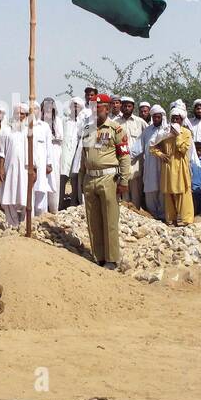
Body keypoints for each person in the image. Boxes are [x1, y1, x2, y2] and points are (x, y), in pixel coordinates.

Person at [79, 94, 130, 269]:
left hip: (108, 178)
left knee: (109, 220)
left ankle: (111, 259)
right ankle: (98, 256)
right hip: (90, 178)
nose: (95, 110)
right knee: (93, 221)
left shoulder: (116, 129)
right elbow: (83, 156)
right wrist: (81, 179)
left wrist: (124, 180)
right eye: (93, 107)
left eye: (98, 107)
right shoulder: (87, 129)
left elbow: (124, 157)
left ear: (107, 109)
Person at [152, 105, 193, 226]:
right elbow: (152, 146)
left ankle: (186, 220)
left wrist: (177, 135)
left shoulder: (186, 132)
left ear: (182, 120)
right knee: (169, 193)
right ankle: (171, 219)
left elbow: (183, 149)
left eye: (178, 119)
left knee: (183, 192)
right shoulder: (164, 132)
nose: (175, 121)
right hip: (168, 167)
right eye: (173, 119)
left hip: (180, 166)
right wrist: (160, 154)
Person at [0, 104, 31, 228]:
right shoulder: (6, 130)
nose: (20, 116)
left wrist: (35, 170)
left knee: (24, 195)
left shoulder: (29, 131)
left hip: (25, 169)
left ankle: (24, 223)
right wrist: (1, 168)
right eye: (17, 113)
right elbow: (1, 152)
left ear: (26, 116)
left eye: (23, 114)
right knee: (8, 195)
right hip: (9, 168)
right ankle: (12, 224)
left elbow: (34, 152)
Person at [113, 97, 146, 210]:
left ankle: (136, 212)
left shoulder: (140, 122)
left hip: (136, 163)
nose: (127, 108)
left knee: (136, 189)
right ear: (121, 107)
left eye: (129, 106)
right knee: (123, 186)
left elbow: (147, 139)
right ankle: (125, 213)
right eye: (125, 106)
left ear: (133, 107)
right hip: (121, 161)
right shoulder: (115, 123)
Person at [141, 105, 169, 220]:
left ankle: (163, 215)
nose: (156, 119)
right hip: (150, 164)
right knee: (150, 188)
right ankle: (152, 215)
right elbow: (139, 146)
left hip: (163, 163)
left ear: (162, 117)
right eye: (154, 117)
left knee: (163, 189)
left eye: (158, 117)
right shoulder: (147, 130)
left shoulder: (167, 130)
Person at [59, 97, 84, 208]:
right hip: (64, 152)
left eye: (77, 106)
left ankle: (73, 202)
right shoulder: (64, 120)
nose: (75, 107)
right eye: (73, 105)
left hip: (76, 152)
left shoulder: (82, 121)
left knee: (74, 177)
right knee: (62, 177)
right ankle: (59, 203)